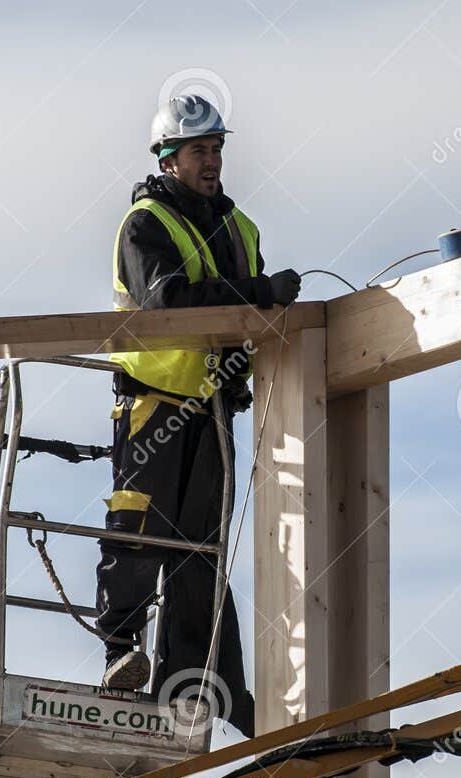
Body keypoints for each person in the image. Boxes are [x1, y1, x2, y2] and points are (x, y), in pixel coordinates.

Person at [94, 94, 301, 737]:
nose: (211, 161)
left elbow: (251, 319)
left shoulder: (242, 230)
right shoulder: (145, 223)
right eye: (197, 151)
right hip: (154, 405)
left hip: (213, 410)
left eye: (216, 150)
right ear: (169, 158)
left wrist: (260, 317)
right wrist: (258, 295)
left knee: (200, 554)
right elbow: (169, 303)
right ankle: (121, 653)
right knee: (138, 532)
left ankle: (200, 681)